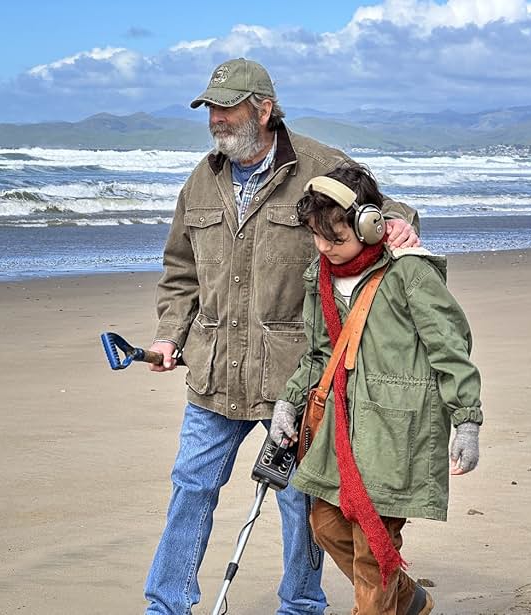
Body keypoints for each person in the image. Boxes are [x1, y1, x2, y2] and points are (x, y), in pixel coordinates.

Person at [143, 58, 421, 615]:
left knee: (299, 499)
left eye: (227, 108)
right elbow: (180, 271)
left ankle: (300, 604)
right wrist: (171, 335)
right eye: (211, 110)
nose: (216, 119)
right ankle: (166, 605)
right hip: (215, 368)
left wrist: (398, 221)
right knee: (190, 486)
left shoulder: (322, 168)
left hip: (296, 375)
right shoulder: (202, 178)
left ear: (264, 109)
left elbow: (380, 212)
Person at [269, 163, 483, 615]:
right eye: (317, 236)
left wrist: (467, 420)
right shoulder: (321, 276)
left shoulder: (410, 273)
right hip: (340, 431)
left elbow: (451, 347)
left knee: (372, 552)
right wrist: (289, 402)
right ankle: (408, 599)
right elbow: (319, 355)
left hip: (396, 430)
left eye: (336, 238)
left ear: (370, 225)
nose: (325, 247)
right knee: (324, 525)